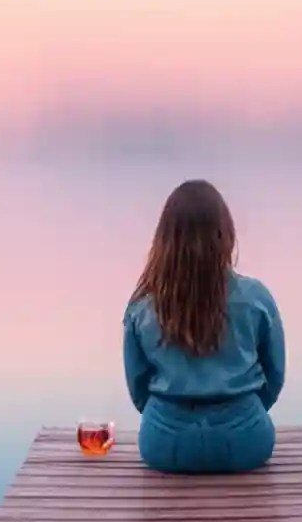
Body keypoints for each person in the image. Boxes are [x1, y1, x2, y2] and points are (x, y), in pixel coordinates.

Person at [122, 180, 285, 473]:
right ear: (225, 234)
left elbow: (138, 387)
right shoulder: (256, 298)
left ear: (164, 240)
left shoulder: (141, 305)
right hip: (245, 441)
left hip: (164, 444)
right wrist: (241, 412)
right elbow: (274, 375)